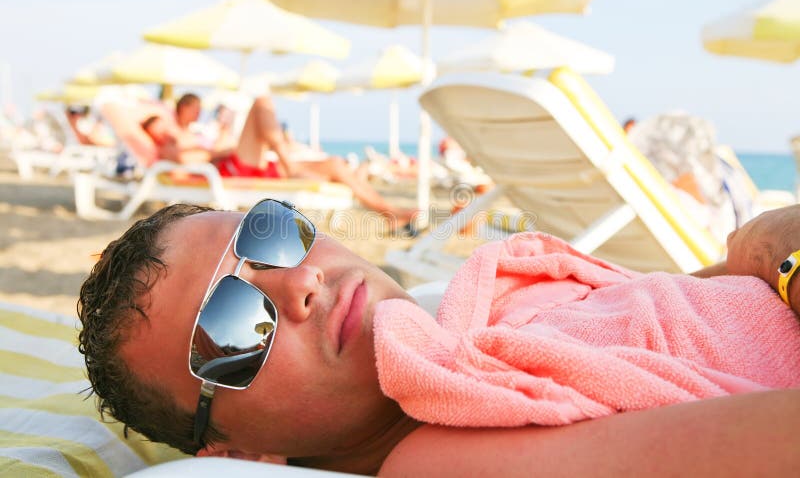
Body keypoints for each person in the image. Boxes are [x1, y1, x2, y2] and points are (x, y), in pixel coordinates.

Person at [78, 202, 800, 475]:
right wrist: (782, 255)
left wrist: (764, 248)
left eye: (267, 236)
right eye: (230, 327)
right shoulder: (443, 458)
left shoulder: (469, 315)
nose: (298, 284)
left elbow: (688, 305)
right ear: (237, 452)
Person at [139, 95, 416, 227]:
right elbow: (189, 159)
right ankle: (289, 162)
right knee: (261, 103)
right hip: (231, 169)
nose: (165, 131)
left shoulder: (194, 133)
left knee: (335, 165)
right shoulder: (168, 148)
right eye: (158, 130)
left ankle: (387, 212)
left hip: (242, 162)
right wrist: (216, 150)